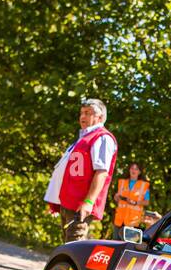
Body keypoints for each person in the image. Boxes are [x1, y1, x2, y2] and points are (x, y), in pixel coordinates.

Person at [44, 98, 118, 243]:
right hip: (68, 202)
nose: (83, 117)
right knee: (67, 246)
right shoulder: (83, 138)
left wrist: (89, 201)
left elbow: (102, 172)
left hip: (81, 204)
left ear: (100, 117)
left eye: (88, 113)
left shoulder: (102, 138)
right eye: (81, 113)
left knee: (74, 247)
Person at [111, 161, 150, 239]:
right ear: (129, 170)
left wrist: (135, 202)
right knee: (115, 243)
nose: (133, 170)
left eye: (136, 169)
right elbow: (117, 198)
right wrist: (116, 197)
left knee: (128, 245)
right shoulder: (122, 182)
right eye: (132, 168)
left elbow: (146, 202)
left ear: (139, 172)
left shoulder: (144, 185)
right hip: (119, 219)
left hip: (133, 221)